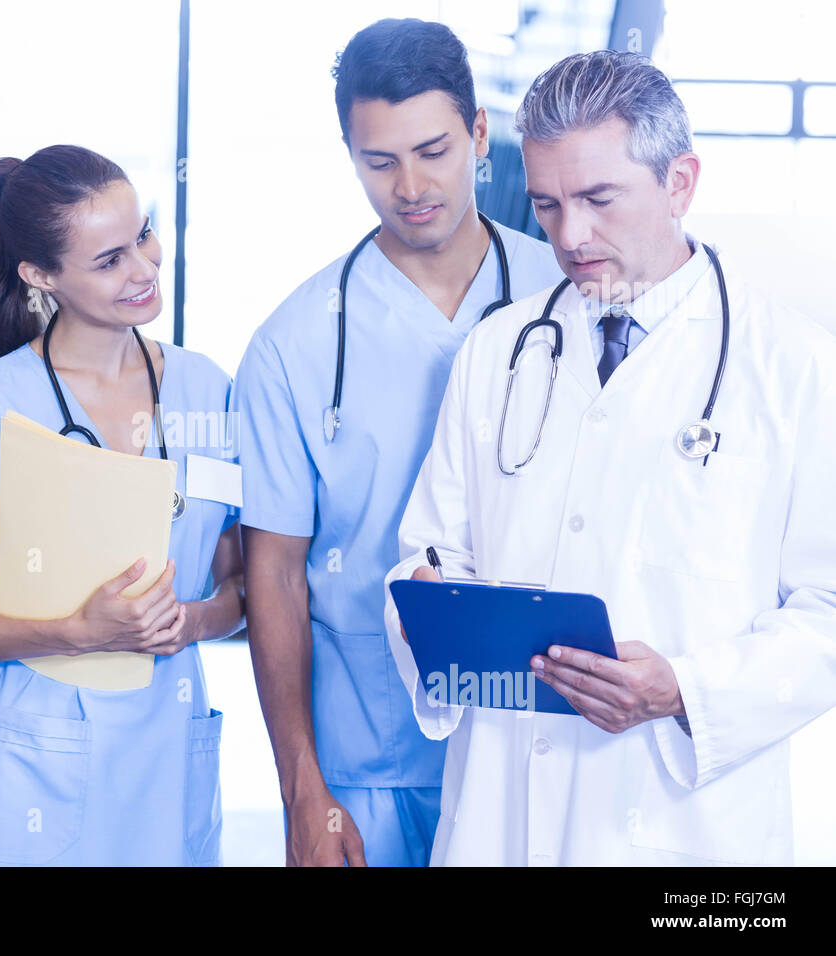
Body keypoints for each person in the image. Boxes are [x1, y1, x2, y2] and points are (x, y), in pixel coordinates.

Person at [384, 50, 836, 866]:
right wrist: (427, 595)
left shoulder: (796, 367)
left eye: (598, 199)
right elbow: (429, 548)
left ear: (680, 182)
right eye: (549, 205)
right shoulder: (498, 351)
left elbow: (829, 608)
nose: (570, 236)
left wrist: (686, 690)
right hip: (501, 813)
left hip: (684, 829)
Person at [231, 18, 562, 866]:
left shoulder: (562, 298)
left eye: (434, 150)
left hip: (535, 735)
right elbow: (273, 573)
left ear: (480, 134)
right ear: (349, 154)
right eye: (379, 161)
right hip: (365, 759)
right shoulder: (295, 343)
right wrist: (302, 790)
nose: (411, 185)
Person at [0, 145, 244, 866]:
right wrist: (75, 631)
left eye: (144, 236)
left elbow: (242, 584)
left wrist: (194, 620)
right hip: (40, 757)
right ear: (41, 275)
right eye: (110, 259)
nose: (146, 269)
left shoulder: (209, 389)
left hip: (170, 740)